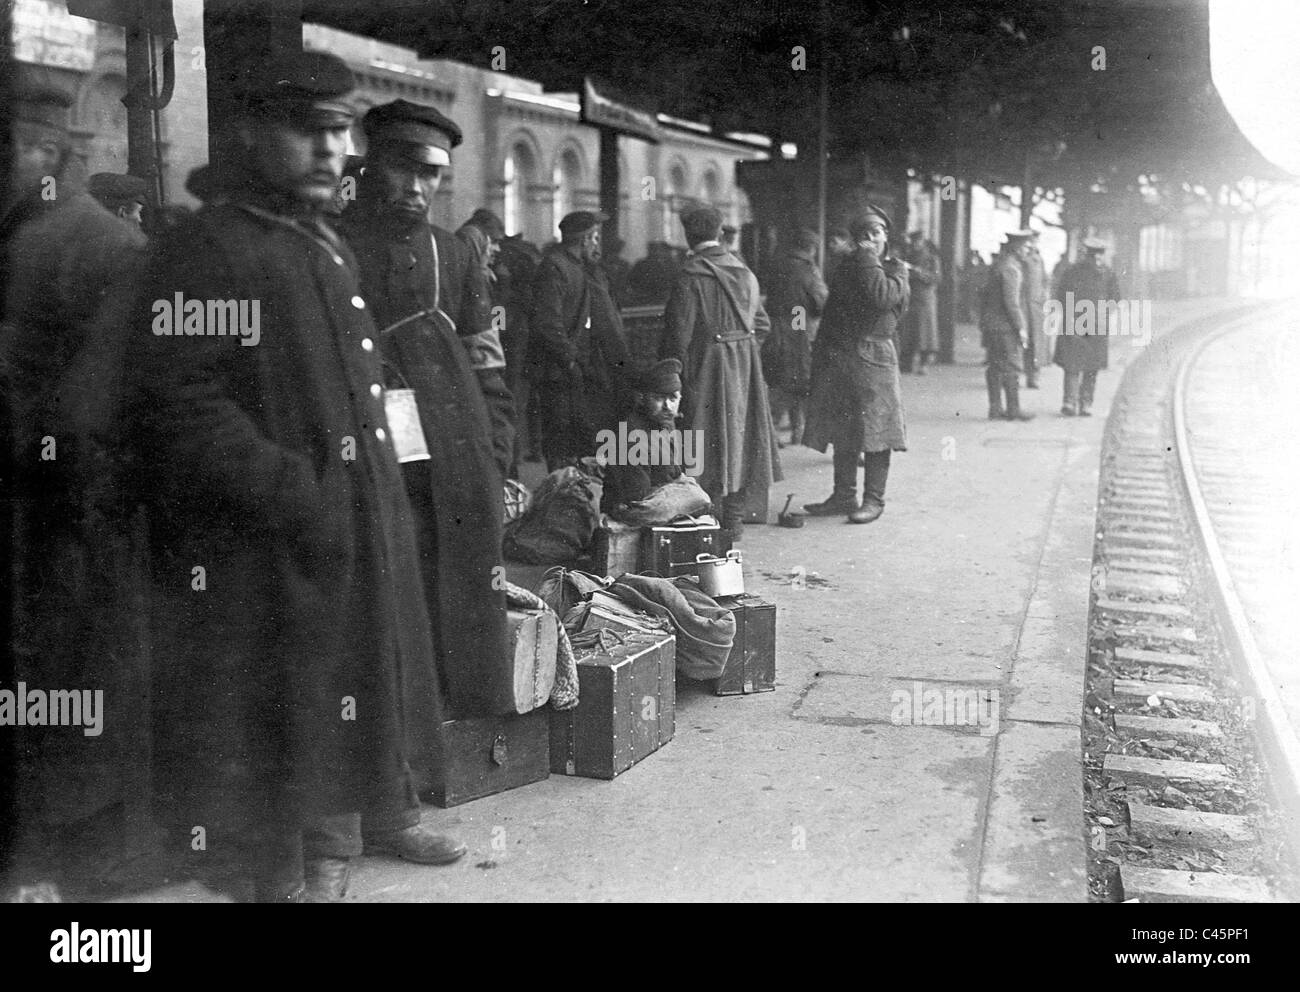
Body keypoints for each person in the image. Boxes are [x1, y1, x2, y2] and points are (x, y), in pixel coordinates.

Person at [120, 52, 462, 904]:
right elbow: (177, 400)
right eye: (308, 132)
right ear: (246, 138)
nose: (332, 150)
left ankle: (357, 831)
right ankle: (282, 879)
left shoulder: (314, 241)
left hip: (345, 519)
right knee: (274, 715)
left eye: (341, 132)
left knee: (351, 686)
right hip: (263, 544)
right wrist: (293, 490)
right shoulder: (210, 247)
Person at [1, 83, 149, 898]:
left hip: (56, 501)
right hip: (57, 500)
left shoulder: (67, 240)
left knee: (65, 679)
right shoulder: (60, 237)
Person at [339, 98, 518, 735]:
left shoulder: (458, 255)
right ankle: (398, 736)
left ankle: (464, 718)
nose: (417, 187)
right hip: (372, 445)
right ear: (370, 163)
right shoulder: (335, 246)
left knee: (466, 571)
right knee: (392, 578)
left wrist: (497, 451)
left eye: (433, 174)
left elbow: (487, 359)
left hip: (456, 445)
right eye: (403, 169)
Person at [660, 203, 779, 542]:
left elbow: (677, 335)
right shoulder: (744, 271)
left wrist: (673, 375)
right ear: (718, 232)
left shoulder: (691, 274)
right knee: (739, 436)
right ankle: (735, 521)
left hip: (706, 367)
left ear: (687, 234)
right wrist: (741, 351)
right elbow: (762, 324)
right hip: (745, 365)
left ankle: (706, 520)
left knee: (701, 437)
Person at [802, 207, 910, 524]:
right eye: (863, 235)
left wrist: (867, 259)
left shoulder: (894, 269)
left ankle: (874, 500)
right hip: (844, 355)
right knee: (844, 427)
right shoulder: (849, 266)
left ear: (886, 235)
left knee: (877, 429)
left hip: (876, 354)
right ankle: (843, 496)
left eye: (875, 233)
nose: (869, 240)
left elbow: (880, 298)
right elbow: (834, 312)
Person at [528, 209, 627, 469]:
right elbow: (547, 322)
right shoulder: (554, 267)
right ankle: (562, 496)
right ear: (584, 239)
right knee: (560, 440)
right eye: (594, 238)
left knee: (578, 437)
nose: (596, 245)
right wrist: (571, 360)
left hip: (576, 368)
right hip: (558, 370)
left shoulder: (576, 266)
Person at [762, 227, 828, 446]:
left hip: (775, 326)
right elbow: (820, 301)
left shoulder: (776, 264)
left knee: (777, 377)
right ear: (811, 248)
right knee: (799, 376)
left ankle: (773, 428)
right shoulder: (808, 269)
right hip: (799, 326)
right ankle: (797, 429)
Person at [601, 358, 686, 521]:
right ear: (641, 398)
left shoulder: (665, 422)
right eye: (659, 398)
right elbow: (638, 499)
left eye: (673, 398)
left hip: (658, 501)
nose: (668, 406)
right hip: (632, 511)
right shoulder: (634, 437)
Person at [1054, 237, 1122, 417]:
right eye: (1095, 256)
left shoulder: (1097, 273)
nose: (1096, 260)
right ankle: (1077, 402)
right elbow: (1061, 296)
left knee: (1082, 365)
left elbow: (1114, 299)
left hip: (1085, 323)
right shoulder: (1097, 273)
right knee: (1081, 365)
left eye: (1098, 256)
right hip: (1084, 323)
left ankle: (1078, 402)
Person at [979, 231, 1035, 421]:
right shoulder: (1012, 269)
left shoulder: (999, 264)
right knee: (1012, 366)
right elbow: (1012, 302)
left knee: (994, 367)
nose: (1029, 250)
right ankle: (1013, 409)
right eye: (1027, 247)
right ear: (1018, 248)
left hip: (991, 324)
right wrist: (1021, 328)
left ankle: (995, 409)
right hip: (1005, 327)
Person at [901, 231, 941, 374]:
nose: (915, 245)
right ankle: (907, 363)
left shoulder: (931, 259)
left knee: (925, 334)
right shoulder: (908, 256)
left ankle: (924, 364)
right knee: (909, 332)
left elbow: (936, 278)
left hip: (925, 299)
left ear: (923, 242)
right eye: (913, 242)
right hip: (911, 297)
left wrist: (919, 273)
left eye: (918, 242)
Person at [1022, 232, 1049, 389]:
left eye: (1035, 241)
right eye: (1031, 242)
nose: (1033, 245)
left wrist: (1044, 296)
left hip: (1036, 307)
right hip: (1024, 306)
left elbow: (1045, 281)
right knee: (1025, 343)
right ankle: (1023, 374)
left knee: (1036, 343)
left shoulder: (1038, 259)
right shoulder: (1023, 260)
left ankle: (1034, 376)